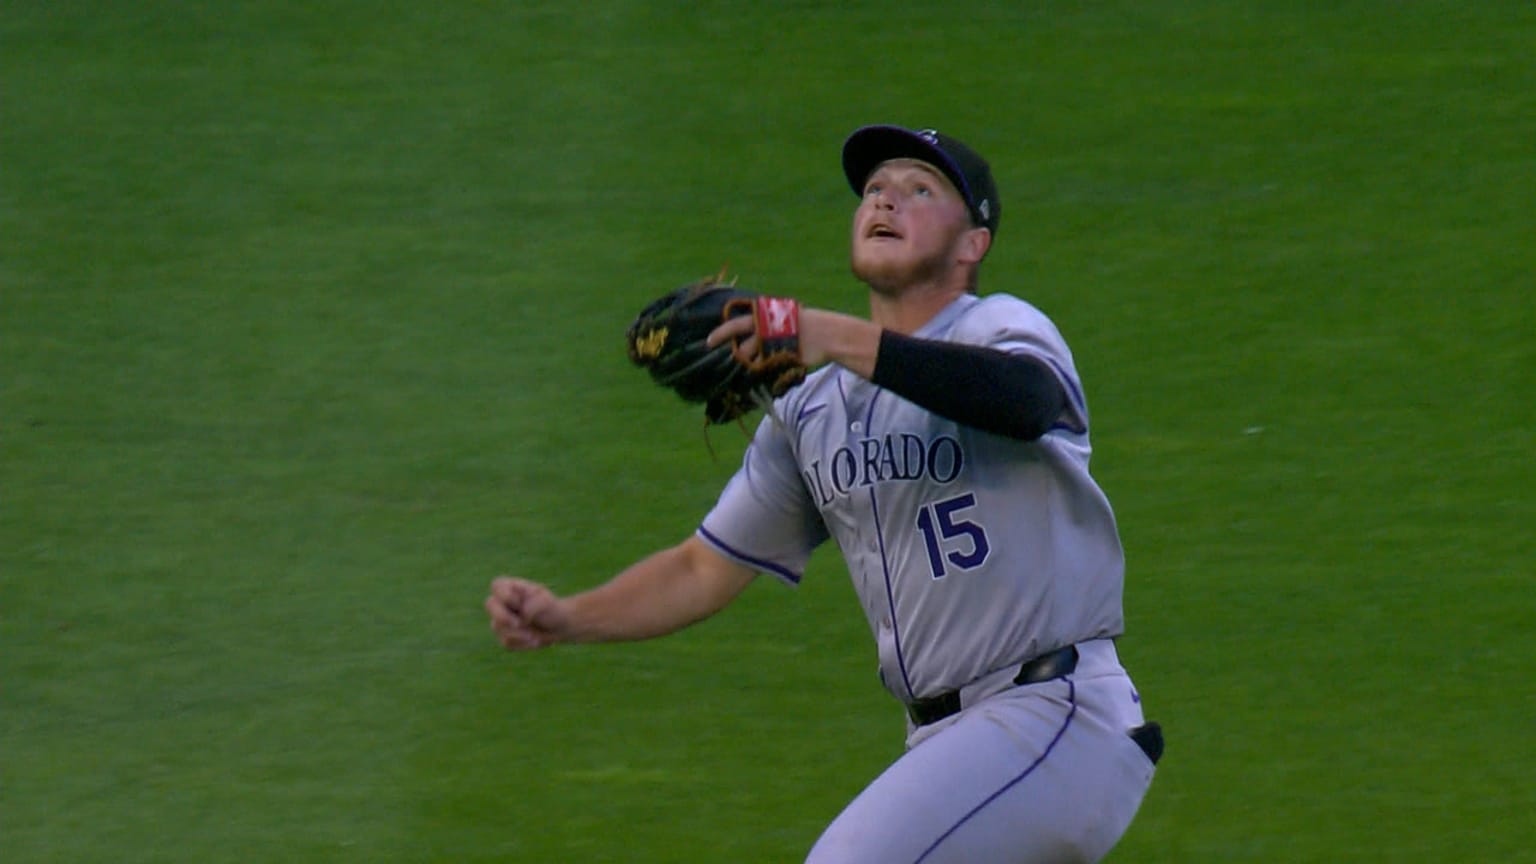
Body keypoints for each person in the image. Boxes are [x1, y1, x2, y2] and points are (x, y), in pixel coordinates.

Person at [485, 124, 1160, 862]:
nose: (887, 201)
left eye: (919, 191)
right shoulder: (812, 411)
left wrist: (832, 336)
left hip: (1051, 714)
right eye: (874, 190)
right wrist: (565, 617)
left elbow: (1025, 402)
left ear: (973, 244)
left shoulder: (998, 326)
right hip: (948, 742)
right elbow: (702, 568)